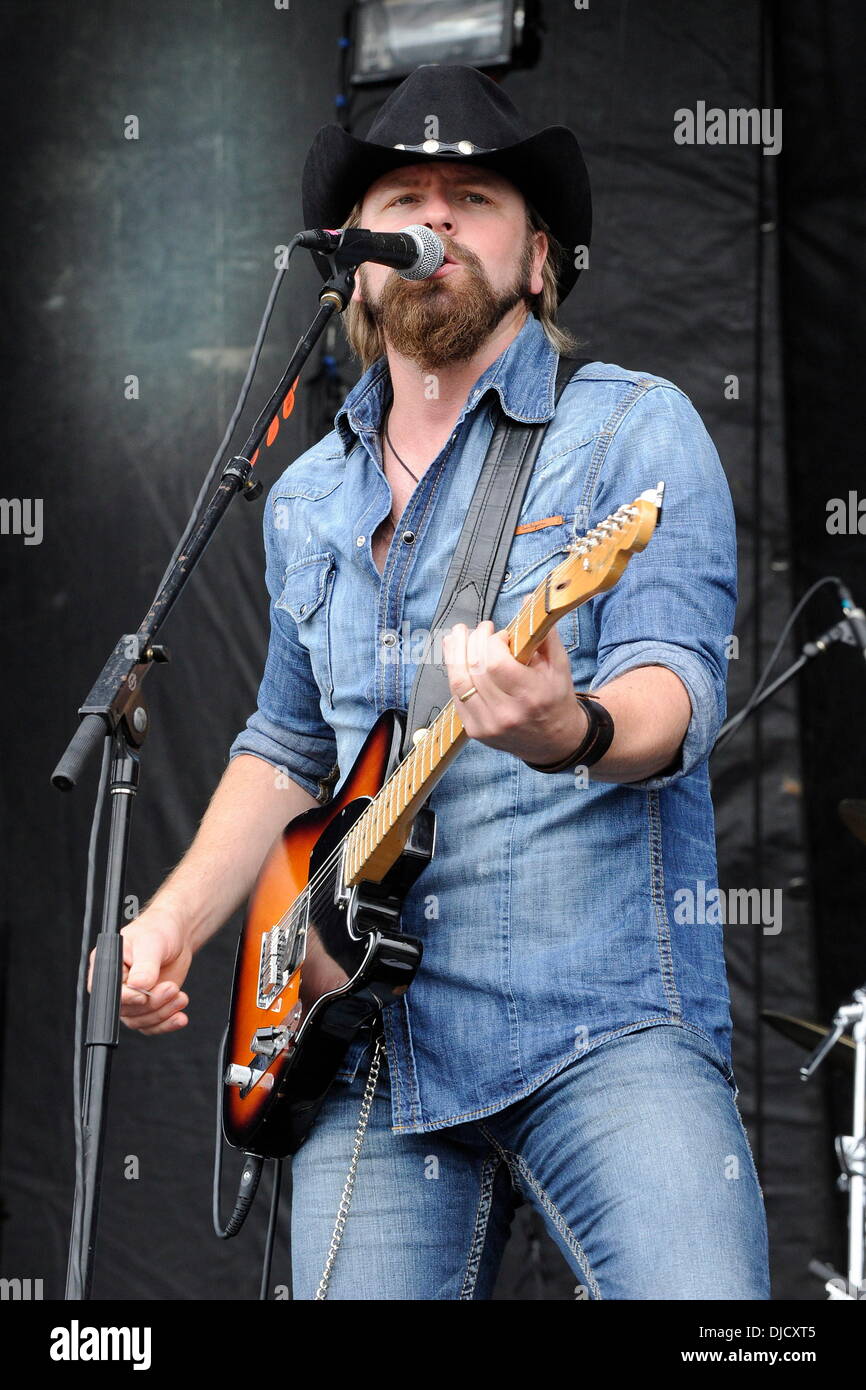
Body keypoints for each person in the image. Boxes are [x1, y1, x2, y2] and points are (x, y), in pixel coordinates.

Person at [98, 65, 770, 1300]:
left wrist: (572, 727)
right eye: (404, 196)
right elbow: (287, 745)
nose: (437, 219)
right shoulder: (304, 498)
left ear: (540, 256)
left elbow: (674, 690)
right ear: (356, 259)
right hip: (369, 1048)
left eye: (473, 196)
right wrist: (176, 924)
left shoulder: (629, 431)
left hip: (598, 1024)